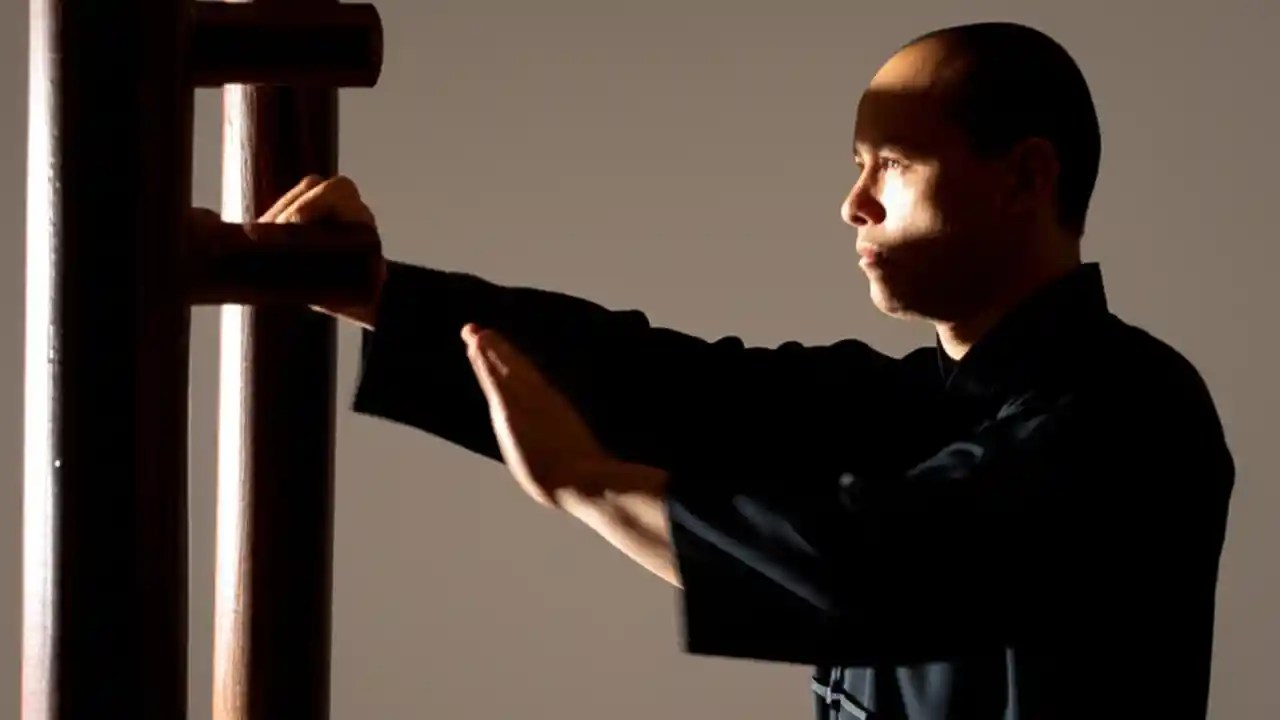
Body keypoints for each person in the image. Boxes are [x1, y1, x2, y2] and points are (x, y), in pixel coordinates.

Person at [261, 20, 1235, 720]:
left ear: (1024, 177)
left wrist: (589, 487)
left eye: (890, 162)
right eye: (854, 164)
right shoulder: (912, 400)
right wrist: (377, 290)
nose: (852, 203)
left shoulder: (1130, 411)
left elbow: (867, 573)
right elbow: (668, 385)